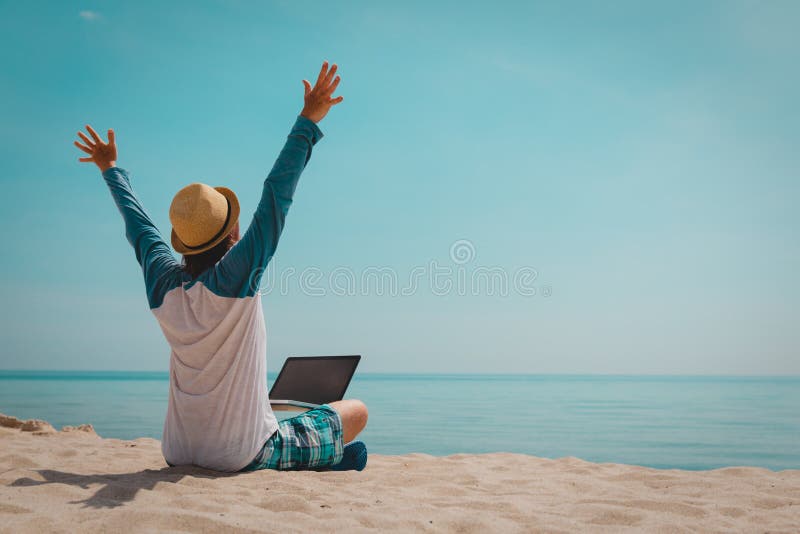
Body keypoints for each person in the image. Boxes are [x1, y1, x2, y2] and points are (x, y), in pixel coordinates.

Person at [73, 61, 368, 473]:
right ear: (232, 234)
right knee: (354, 411)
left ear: (184, 242)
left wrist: (110, 170)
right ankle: (332, 458)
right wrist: (307, 120)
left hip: (177, 451)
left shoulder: (162, 283)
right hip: (239, 455)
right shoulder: (236, 277)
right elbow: (275, 197)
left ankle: (332, 458)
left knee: (297, 419)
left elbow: (139, 227)